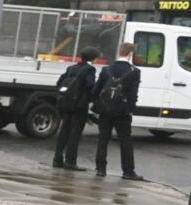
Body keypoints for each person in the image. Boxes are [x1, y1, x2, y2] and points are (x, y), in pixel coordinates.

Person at [93, 41, 145, 181]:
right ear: (130, 54)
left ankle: (100, 169)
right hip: (122, 111)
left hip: (105, 110)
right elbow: (133, 94)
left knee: (103, 139)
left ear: (120, 52)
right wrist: (131, 109)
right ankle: (128, 171)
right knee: (125, 140)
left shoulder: (106, 69)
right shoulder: (135, 72)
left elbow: (97, 89)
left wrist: (97, 105)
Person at [52, 48, 97, 171]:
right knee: (75, 134)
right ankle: (70, 162)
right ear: (93, 58)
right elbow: (89, 85)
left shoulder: (71, 68)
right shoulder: (90, 69)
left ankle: (57, 159)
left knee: (64, 131)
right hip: (80, 106)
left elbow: (60, 82)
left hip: (67, 104)